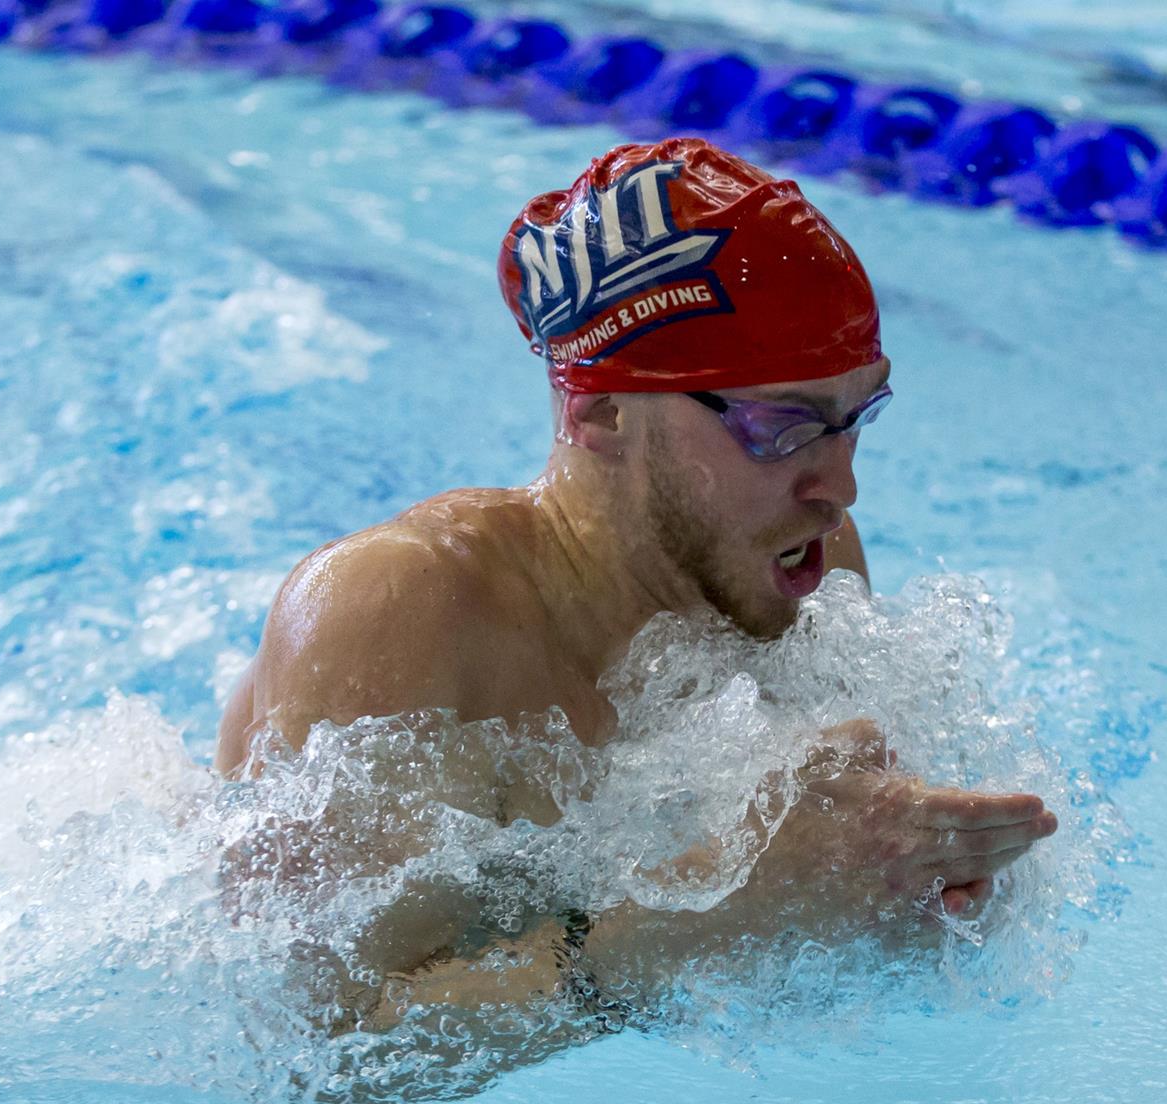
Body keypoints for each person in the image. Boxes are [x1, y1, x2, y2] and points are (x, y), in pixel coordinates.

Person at [214, 138, 1057, 1036]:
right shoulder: (393, 610)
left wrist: (909, 883)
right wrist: (714, 921)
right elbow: (321, 1039)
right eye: (782, 427)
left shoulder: (797, 559)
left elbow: (828, 894)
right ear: (602, 411)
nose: (840, 488)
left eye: (857, 418)